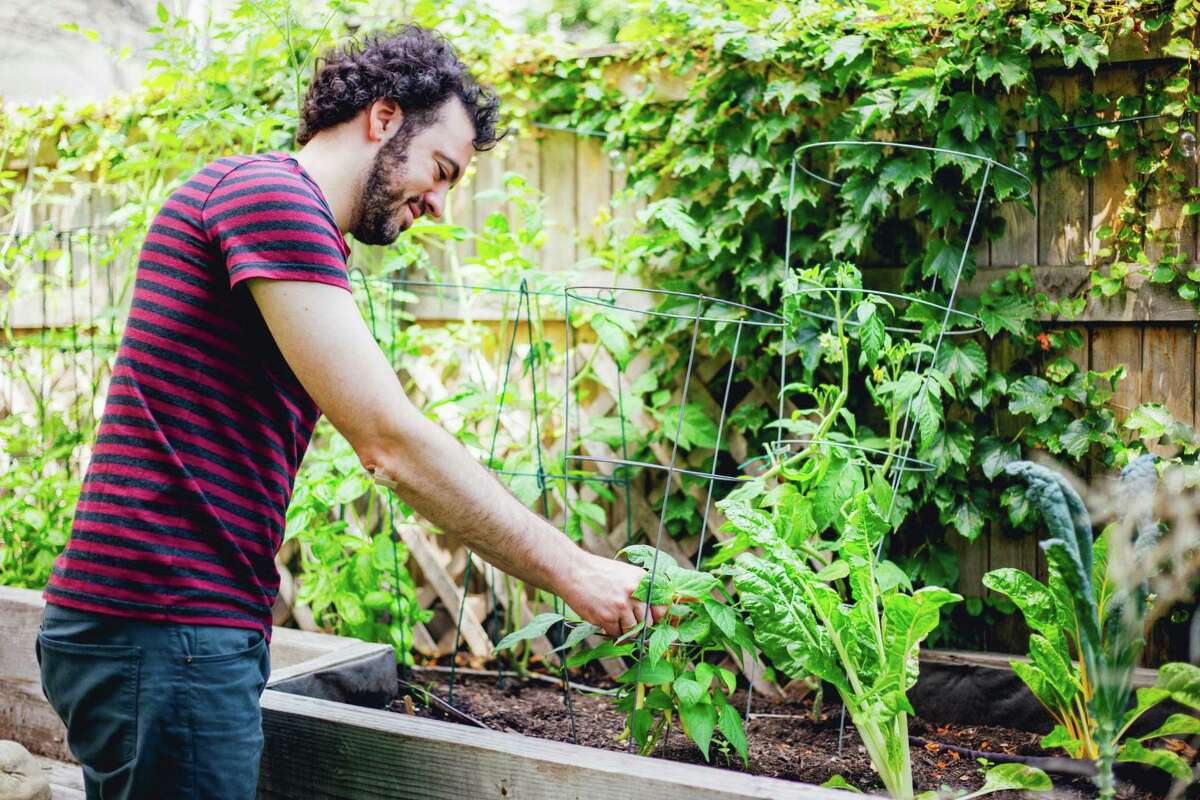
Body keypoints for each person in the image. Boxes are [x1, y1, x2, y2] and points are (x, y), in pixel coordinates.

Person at [36, 24, 661, 799]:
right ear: (384, 116)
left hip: (158, 632)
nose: (438, 204)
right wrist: (575, 572)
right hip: (168, 628)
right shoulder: (271, 201)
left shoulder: (262, 207)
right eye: (441, 169)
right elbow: (388, 441)